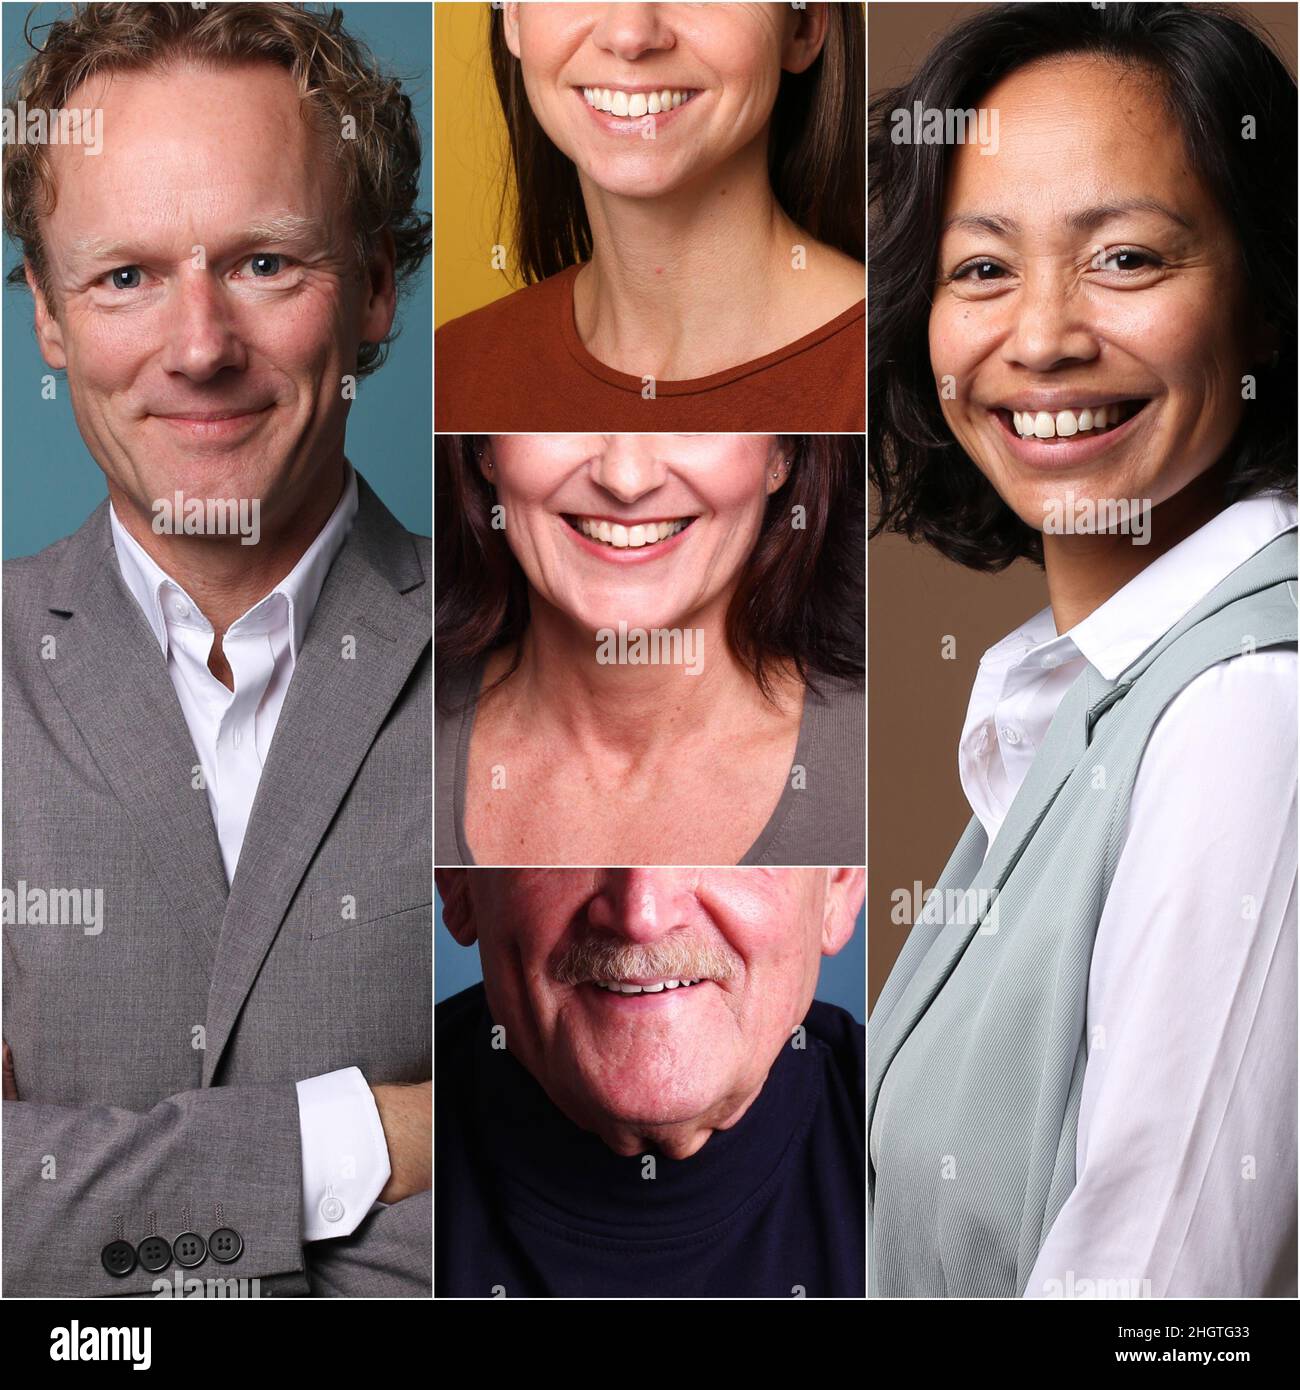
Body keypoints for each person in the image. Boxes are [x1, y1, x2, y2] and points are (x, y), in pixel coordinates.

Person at [2, 2, 432, 1297]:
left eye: (263, 263)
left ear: (374, 286)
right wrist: (369, 1135)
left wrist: (74, 1208)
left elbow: (579, 1184)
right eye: (125, 275)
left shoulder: (538, 645)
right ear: (48, 317)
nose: (199, 348)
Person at [868, 2, 1297, 1298]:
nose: (1043, 336)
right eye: (981, 268)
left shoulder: (1248, 708)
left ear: (1271, 301)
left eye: (1126, 258)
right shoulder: (1080, 699)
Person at [435, 433, 864, 866]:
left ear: (782, 452)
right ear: (483, 446)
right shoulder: (409, 736)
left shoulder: (871, 767)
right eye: (564, 404)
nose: (626, 480)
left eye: (693, 406)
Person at [435, 866, 865, 1297]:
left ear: (839, 881)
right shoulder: (373, 1154)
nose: (642, 918)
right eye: (569, 832)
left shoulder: (909, 1160)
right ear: (457, 880)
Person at [435, 2, 864, 431]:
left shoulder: (881, 369)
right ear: (512, 14)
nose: (630, 35)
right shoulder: (453, 371)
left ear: (802, 24)